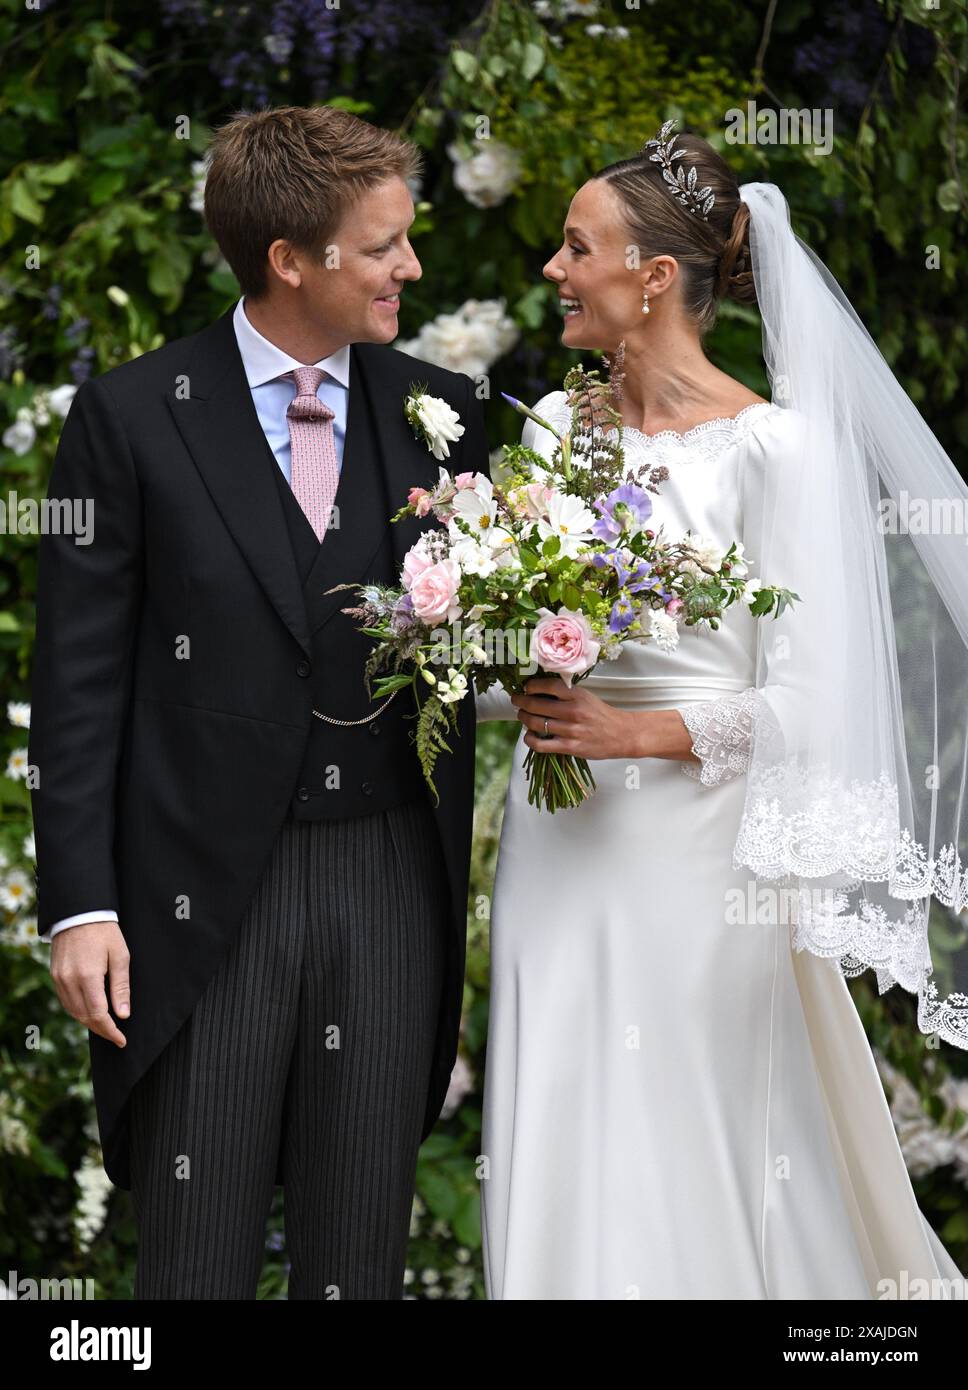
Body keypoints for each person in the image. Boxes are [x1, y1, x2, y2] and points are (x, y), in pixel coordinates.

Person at [475, 122, 967, 1300]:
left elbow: (813, 700)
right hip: (559, 843)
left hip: (699, 854)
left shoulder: (774, 451)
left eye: (573, 247)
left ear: (651, 279)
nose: (551, 270)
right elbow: (509, 650)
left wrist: (636, 732)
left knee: (683, 1125)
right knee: (556, 1100)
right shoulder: (556, 425)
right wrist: (486, 654)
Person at [28, 105, 489, 1299]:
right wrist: (80, 906)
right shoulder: (131, 419)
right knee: (195, 1261)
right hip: (199, 894)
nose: (411, 267)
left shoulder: (444, 417)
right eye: (382, 245)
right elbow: (76, 683)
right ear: (290, 260)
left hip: (390, 880)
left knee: (357, 1262)